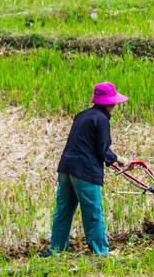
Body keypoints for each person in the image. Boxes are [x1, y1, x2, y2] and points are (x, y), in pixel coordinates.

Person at [48, 82, 133, 256]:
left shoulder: (82, 115)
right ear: (110, 102)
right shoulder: (101, 120)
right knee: (93, 212)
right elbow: (102, 150)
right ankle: (101, 251)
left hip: (66, 168)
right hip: (85, 172)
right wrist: (120, 159)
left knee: (63, 211)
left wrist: (112, 160)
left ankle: (56, 249)